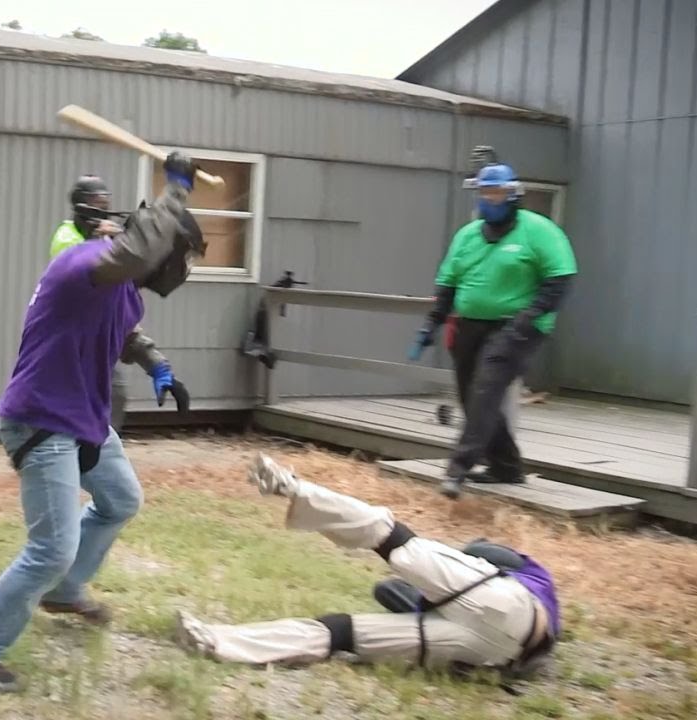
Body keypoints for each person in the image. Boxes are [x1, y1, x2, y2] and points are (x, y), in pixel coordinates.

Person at [0, 152, 205, 694]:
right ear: (157, 246)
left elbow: (128, 332)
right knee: (50, 546)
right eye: (183, 256)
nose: (184, 270)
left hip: (81, 418)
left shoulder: (120, 286)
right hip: (41, 419)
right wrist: (175, 191)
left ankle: (65, 591)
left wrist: (159, 367)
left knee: (121, 499)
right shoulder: (83, 263)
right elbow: (131, 256)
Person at [174, 454, 559, 683]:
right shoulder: (537, 591)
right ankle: (214, 641)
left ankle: (292, 488)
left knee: (393, 539)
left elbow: (483, 552)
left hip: (504, 615)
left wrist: (444, 568)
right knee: (339, 633)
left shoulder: (532, 574)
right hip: (492, 652)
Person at [408, 163, 578, 499]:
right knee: (473, 397)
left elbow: (559, 281)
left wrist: (528, 318)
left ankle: (458, 469)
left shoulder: (539, 231)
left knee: (487, 388)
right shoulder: (468, 235)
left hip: (518, 325)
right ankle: (507, 467)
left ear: (513, 194)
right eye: (485, 193)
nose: (491, 200)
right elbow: (448, 284)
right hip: (470, 324)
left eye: (498, 193)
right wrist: (432, 323)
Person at [48, 174, 150, 432]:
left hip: (96, 332)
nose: (103, 211)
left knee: (113, 394)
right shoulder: (67, 237)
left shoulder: (100, 237)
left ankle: (95, 450)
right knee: (97, 396)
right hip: (71, 337)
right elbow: (87, 268)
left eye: (105, 204)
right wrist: (104, 240)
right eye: (96, 203)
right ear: (81, 206)